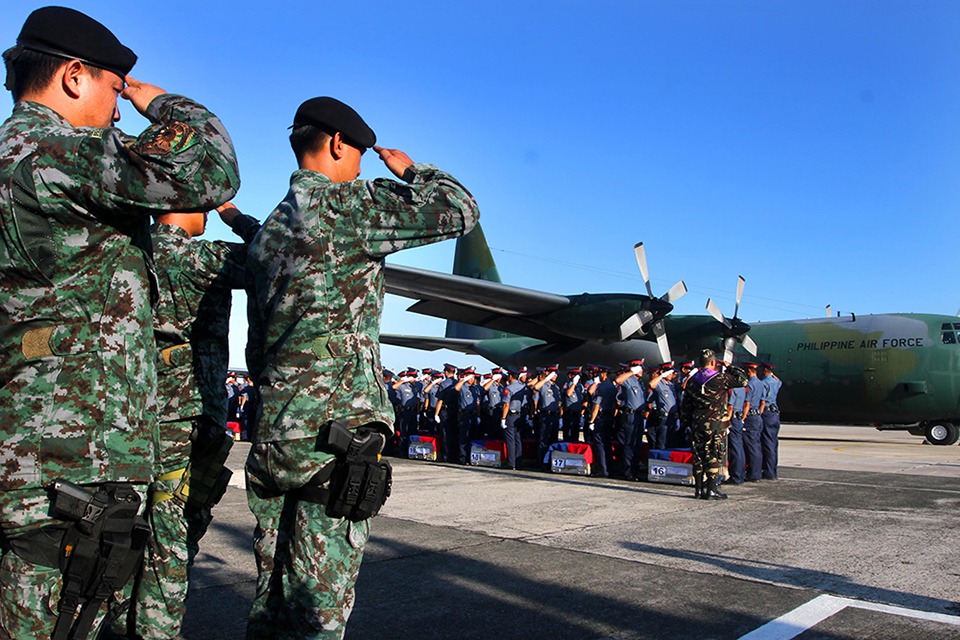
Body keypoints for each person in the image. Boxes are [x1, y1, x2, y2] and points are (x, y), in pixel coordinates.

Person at [0, 7, 239, 638]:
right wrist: (166, 105)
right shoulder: (56, 154)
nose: (117, 105)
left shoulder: (15, 160)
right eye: (113, 86)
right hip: (68, 468)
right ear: (74, 76)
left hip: (36, 456)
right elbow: (209, 171)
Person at [243, 96, 478, 639]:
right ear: (337, 144)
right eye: (359, 155)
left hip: (277, 429)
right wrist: (412, 169)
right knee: (319, 606)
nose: (359, 168)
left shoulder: (271, 231)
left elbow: (259, 346)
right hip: (335, 436)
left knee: (273, 595)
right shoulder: (348, 207)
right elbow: (461, 208)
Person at [124, 205, 259, 640]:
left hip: (126, 416)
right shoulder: (201, 258)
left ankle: (114, 611)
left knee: (119, 525)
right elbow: (281, 254)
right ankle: (153, 631)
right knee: (172, 535)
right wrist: (236, 217)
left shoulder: (127, 252)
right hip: (187, 421)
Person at [680, 350, 749, 499]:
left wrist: (686, 424)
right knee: (714, 455)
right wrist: (729, 366)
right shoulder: (720, 379)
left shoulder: (692, 381)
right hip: (716, 425)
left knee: (698, 456)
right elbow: (743, 380)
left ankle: (698, 490)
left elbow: (685, 406)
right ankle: (711, 489)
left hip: (698, 424)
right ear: (713, 363)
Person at [614, 360, 645, 480]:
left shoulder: (639, 382)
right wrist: (631, 371)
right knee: (629, 444)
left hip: (639, 416)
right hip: (630, 415)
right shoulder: (629, 379)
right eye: (640, 368)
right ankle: (628, 471)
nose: (642, 370)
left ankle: (635, 469)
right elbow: (618, 380)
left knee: (637, 444)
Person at [586, 367, 618, 478]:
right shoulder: (612, 387)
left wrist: (591, 421)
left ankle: (603, 470)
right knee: (608, 445)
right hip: (609, 417)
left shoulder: (601, 387)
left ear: (603, 374)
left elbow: (596, 406)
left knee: (600, 445)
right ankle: (610, 469)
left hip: (601, 417)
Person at [533, 365, 562, 469]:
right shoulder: (543, 385)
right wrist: (546, 379)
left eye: (556, 374)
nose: (555, 376)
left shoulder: (556, 387)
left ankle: (551, 461)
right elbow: (535, 387)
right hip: (545, 415)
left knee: (553, 440)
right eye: (553, 374)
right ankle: (541, 462)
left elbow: (559, 403)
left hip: (554, 416)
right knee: (543, 440)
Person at [500, 368, 529, 469]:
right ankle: (518, 462)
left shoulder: (509, 388)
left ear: (510, 376)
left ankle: (511, 463)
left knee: (510, 440)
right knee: (518, 440)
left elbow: (506, 405)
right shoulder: (522, 387)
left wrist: (503, 418)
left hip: (511, 416)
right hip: (519, 415)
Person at [742, 362, 765, 481]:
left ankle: (753, 474)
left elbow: (747, 404)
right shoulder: (761, 384)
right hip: (757, 416)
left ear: (748, 371)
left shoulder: (749, 385)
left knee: (750, 446)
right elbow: (763, 402)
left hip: (750, 416)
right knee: (756, 444)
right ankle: (757, 472)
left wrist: (743, 418)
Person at [648, 364, 678, 450]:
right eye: (668, 373)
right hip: (663, 417)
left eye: (671, 373)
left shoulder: (671, 385)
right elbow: (651, 384)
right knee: (662, 443)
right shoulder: (660, 383)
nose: (671, 375)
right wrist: (662, 376)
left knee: (670, 443)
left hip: (672, 418)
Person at [760, 361, 782, 480]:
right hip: (775, 414)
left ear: (764, 370)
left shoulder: (763, 383)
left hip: (767, 413)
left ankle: (769, 472)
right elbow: (779, 380)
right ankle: (773, 469)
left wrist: (759, 415)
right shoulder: (776, 382)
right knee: (773, 443)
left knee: (767, 443)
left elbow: (762, 402)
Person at [726, 382, 747, 484]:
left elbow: (730, 407)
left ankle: (736, 476)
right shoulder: (743, 389)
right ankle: (741, 474)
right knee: (739, 447)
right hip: (738, 418)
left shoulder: (733, 389)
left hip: (733, 419)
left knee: (734, 449)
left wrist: (726, 423)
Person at [561, 367, 584, 443]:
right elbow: (568, 393)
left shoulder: (579, 386)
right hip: (569, 414)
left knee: (575, 436)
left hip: (577, 414)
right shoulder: (567, 385)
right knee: (568, 436)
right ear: (570, 376)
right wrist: (574, 383)